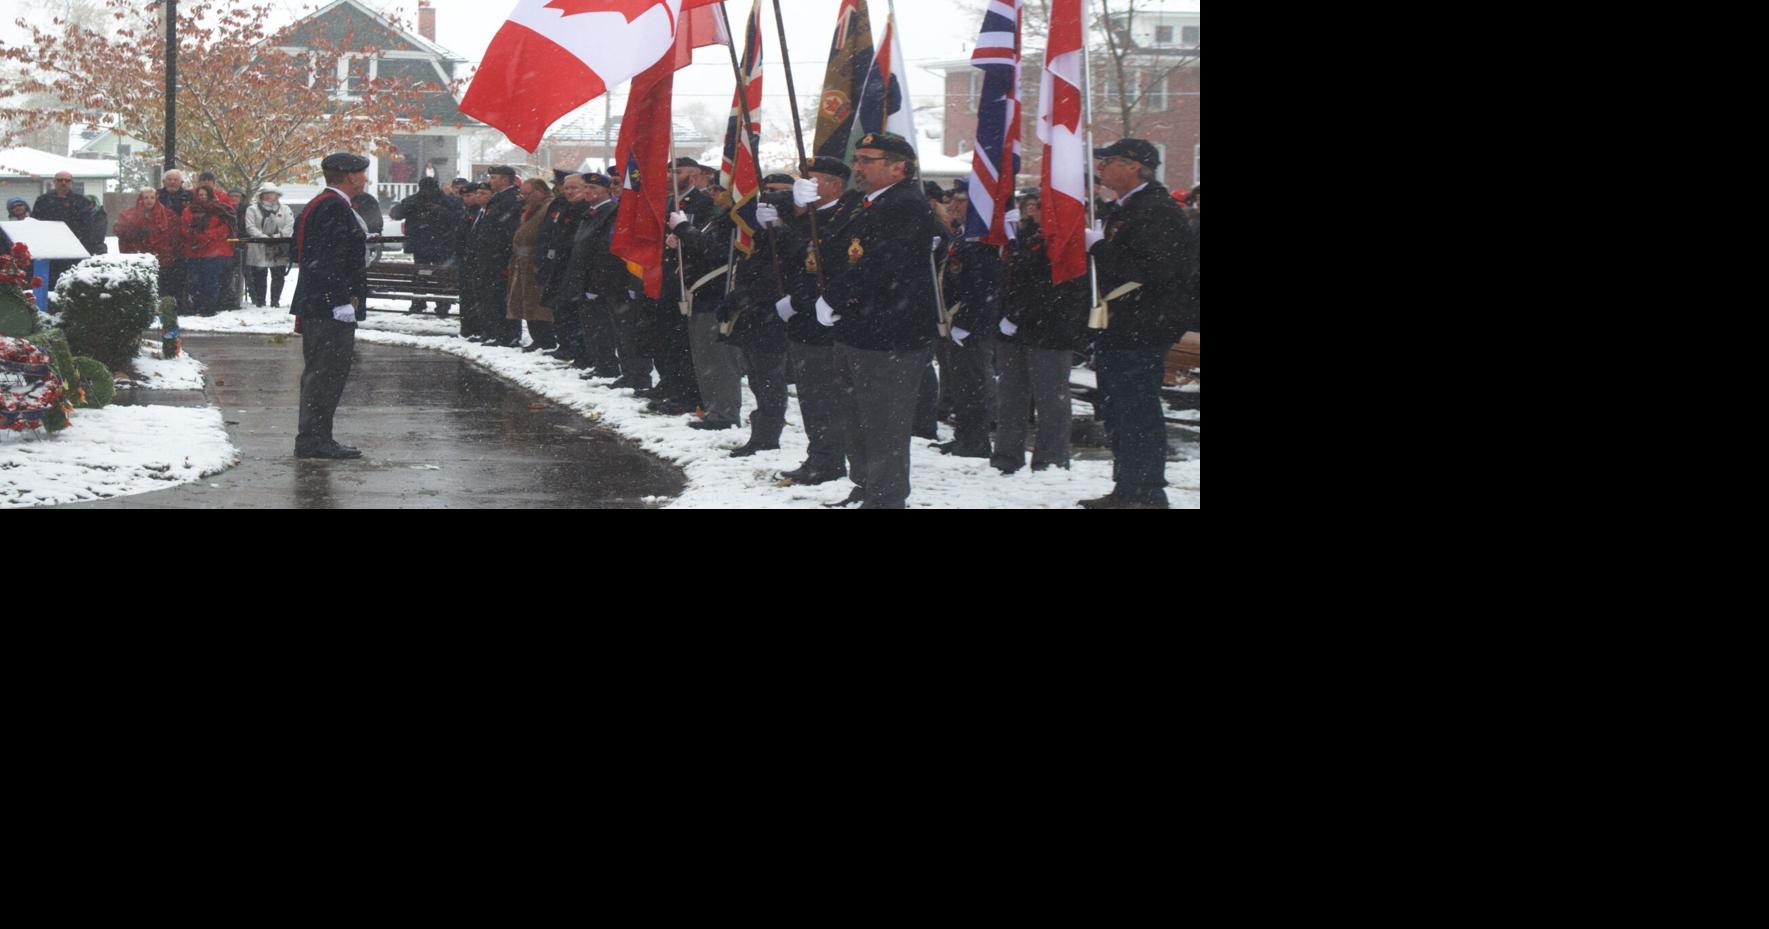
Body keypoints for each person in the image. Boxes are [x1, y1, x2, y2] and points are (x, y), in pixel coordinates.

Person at [804, 131, 939, 509]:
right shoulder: (864, 202)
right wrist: (798, 208)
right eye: (858, 158)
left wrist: (834, 296)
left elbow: (883, 263)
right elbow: (831, 247)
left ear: (899, 167)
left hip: (890, 331)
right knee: (856, 417)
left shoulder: (906, 204)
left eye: (867, 160)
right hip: (859, 326)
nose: (858, 167)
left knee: (883, 423)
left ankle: (885, 497)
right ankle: (864, 486)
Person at [1078, 139, 1199, 509]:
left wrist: (1099, 248)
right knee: (1117, 410)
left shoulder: (1157, 210)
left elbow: (1153, 270)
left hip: (1142, 323)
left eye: (1109, 161)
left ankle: (1146, 492)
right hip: (1122, 322)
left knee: (1136, 410)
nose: (1102, 167)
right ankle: (1128, 487)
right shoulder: (1129, 207)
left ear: (1134, 166)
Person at [775, 156, 860, 485]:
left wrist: (798, 301)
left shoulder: (845, 216)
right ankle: (820, 454)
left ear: (836, 185)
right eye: (802, 180)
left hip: (824, 322)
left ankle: (829, 459)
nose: (805, 185)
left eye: (814, 179)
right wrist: (793, 202)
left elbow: (830, 270)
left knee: (824, 396)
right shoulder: (808, 214)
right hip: (803, 321)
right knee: (811, 396)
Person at [993, 190, 1087, 475]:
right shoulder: (1025, 238)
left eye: (1038, 206)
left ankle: (1051, 459)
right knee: (1011, 396)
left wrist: (1020, 315)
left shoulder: (1062, 241)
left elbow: (1051, 288)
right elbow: (1011, 280)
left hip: (1049, 330)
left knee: (1051, 399)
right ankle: (1007, 455)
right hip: (1015, 329)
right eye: (1029, 206)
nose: (1031, 211)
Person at [290, 152, 372, 460]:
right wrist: (340, 301)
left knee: (322, 373)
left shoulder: (322, 204)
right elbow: (328, 259)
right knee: (326, 374)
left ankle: (316, 437)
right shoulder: (334, 207)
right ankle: (314, 440)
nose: (364, 179)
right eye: (362, 174)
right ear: (350, 177)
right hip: (328, 307)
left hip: (319, 303)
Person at [716, 173, 801, 456]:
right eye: (768, 191)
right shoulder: (762, 230)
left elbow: (785, 269)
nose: (773, 197)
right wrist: (737, 296)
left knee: (770, 380)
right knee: (757, 377)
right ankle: (761, 433)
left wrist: (778, 227)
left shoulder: (799, 226)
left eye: (781, 192)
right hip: (754, 314)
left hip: (777, 314)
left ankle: (767, 435)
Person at [560, 172, 645, 383]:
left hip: (605, 281)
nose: (589, 192)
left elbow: (605, 252)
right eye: (587, 188)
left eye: (594, 189)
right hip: (587, 279)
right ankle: (603, 365)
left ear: (607, 192)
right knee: (594, 329)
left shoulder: (610, 212)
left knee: (614, 330)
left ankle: (626, 372)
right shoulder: (590, 212)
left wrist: (596, 282)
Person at [388, 176, 462, 316]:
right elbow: (395, 214)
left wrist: (440, 211)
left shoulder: (445, 201)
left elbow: (458, 219)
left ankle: (436, 305)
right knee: (425, 275)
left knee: (433, 276)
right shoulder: (417, 201)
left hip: (438, 245)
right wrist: (410, 207)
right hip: (428, 245)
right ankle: (424, 303)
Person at [470, 165, 523, 346]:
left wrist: (503, 257)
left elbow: (507, 231)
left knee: (500, 298)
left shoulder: (512, 199)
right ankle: (492, 331)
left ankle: (507, 335)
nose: (490, 181)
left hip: (499, 257)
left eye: (494, 178)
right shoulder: (499, 198)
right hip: (488, 257)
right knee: (489, 297)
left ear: (505, 179)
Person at [504, 177, 557, 350]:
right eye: (523, 193)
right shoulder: (532, 210)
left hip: (536, 263)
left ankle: (545, 340)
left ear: (540, 192)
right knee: (527, 303)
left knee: (538, 306)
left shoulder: (548, 208)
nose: (525, 197)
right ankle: (538, 339)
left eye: (528, 193)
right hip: (523, 264)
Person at [32, 172, 100, 288]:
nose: (63, 183)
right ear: (54, 182)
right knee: (49, 282)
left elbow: (88, 227)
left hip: (73, 249)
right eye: (60, 180)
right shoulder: (43, 200)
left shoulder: (81, 202)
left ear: (72, 183)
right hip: (48, 248)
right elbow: (35, 223)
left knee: (70, 282)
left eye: (67, 180)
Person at [182, 186, 236, 316]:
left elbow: (225, 229)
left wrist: (207, 235)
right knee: (195, 281)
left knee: (211, 280)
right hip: (194, 250)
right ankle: (197, 304)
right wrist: (195, 236)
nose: (202, 197)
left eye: (205, 194)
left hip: (214, 251)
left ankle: (210, 306)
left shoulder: (220, 210)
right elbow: (184, 227)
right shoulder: (189, 210)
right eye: (200, 194)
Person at [243, 184, 295, 307]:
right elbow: (250, 227)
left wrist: (278, 236)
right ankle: (261, 302)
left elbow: (289, 225)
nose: (269, 196)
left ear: (277, 195)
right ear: (260, 195)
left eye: (271, 193)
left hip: (279, 246)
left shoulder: (285, 209)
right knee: (260, 275)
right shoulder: (252, 209)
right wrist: (263, 237)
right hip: (258, 245)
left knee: (278, 275)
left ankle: (275, 301)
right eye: (265, 193)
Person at [114, 188, 181, 280]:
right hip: (136, 258)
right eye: (146, 198)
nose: (149, 200)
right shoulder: (129, 214)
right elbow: (119, 229)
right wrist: (135, 233)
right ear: (141, 199)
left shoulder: (166, 214)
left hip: (161, 259)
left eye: (152, 197)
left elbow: (174, 232)